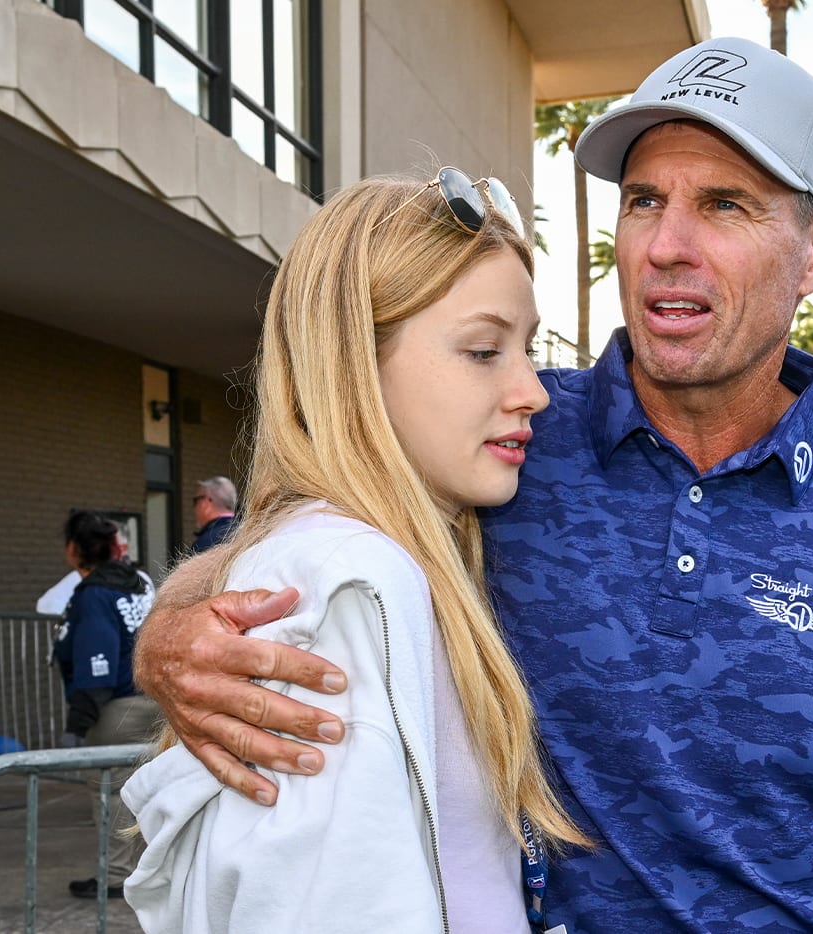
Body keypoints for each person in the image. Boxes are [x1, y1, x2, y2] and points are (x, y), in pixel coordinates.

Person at [132, 37, 813, 931]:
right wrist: (178, 626)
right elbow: (331, 518)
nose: (667, 245)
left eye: (724, 204)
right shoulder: (508, 439)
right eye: (643, 201)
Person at [122, 171, 589, 931]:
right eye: (483, 350)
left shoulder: (405, 546)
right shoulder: (350, 585)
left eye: (528, 348)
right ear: (353, 365)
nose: (534, 390)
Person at [51, 511, 157, 900]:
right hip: (153, 698)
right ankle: (147, 870)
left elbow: (98, 661)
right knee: (144, 791)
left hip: (116, 706)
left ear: (74, 549)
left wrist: (76, 726)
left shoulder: (95, 594)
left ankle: (116, 876)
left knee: (110, 794)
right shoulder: (137, 584)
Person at [36, 524, 155, 615]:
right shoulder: (85, 580)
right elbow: (46, 605)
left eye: (122, 547)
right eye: (114, 547)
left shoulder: (141, 578)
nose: (120, 552)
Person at [190, 476, 238, 553]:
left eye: (195, 500)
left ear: (206, 503)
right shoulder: (251, 534)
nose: (194, 507)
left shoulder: (204, 544)